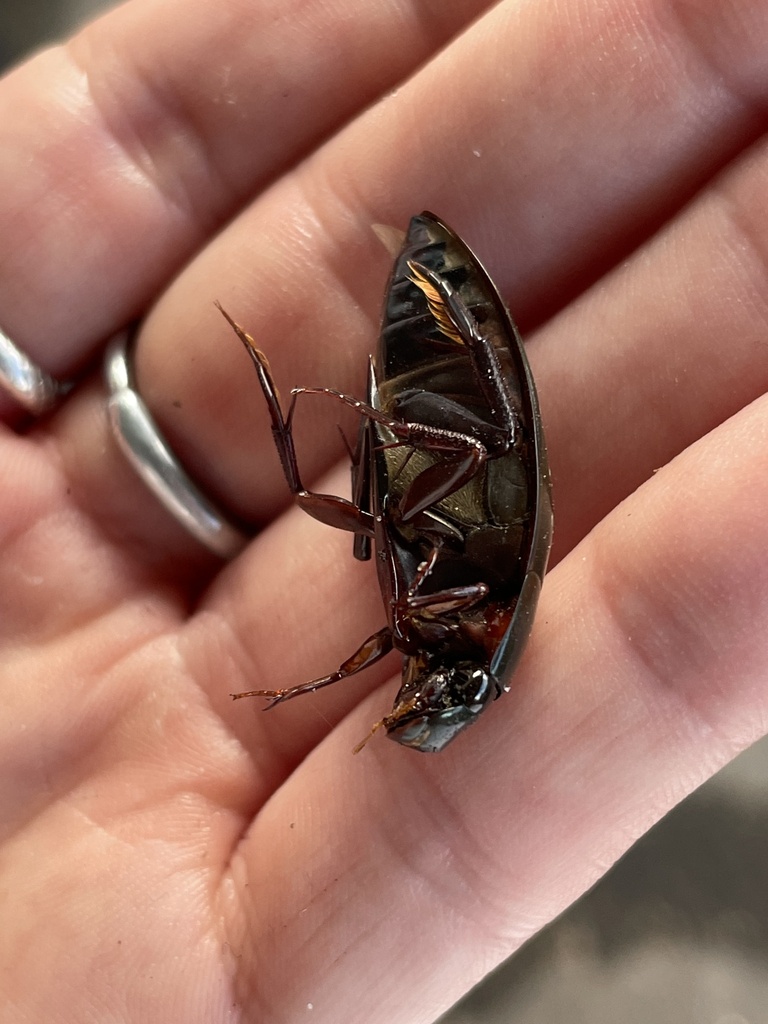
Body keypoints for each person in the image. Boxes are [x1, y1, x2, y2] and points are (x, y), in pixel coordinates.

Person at [2, 0, 766, 1020]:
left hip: (429, 432)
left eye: (403, 698)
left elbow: (394, 564)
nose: (401, 687)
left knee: (349, 517)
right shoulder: (472, 621)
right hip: (458, 416)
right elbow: (466, 506)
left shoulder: (425, 623)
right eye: (423, 698)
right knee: (357, 515)